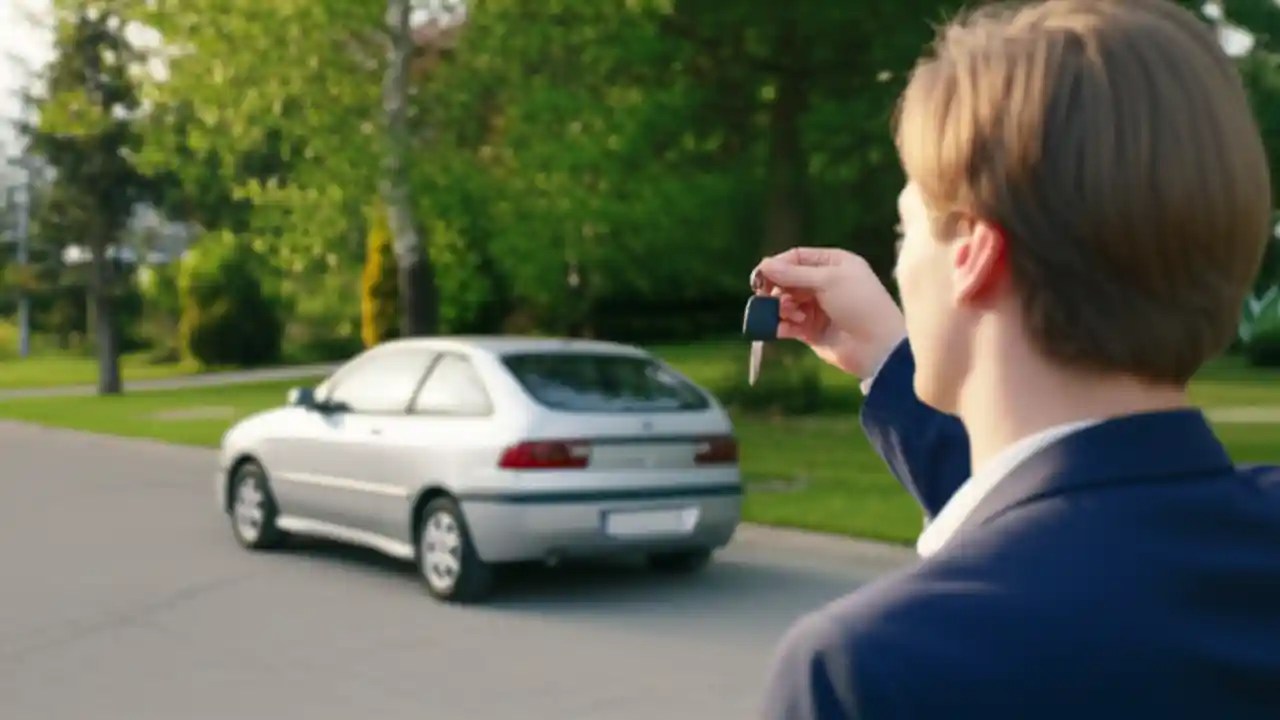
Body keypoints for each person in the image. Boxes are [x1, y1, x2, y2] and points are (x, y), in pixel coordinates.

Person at [754, 0, 1280, 717]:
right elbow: (1087, 525)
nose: (901, 268)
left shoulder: (870, 670)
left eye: (905, 233)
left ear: (971, 254)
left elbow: (1052, 549)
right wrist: (891, 361)